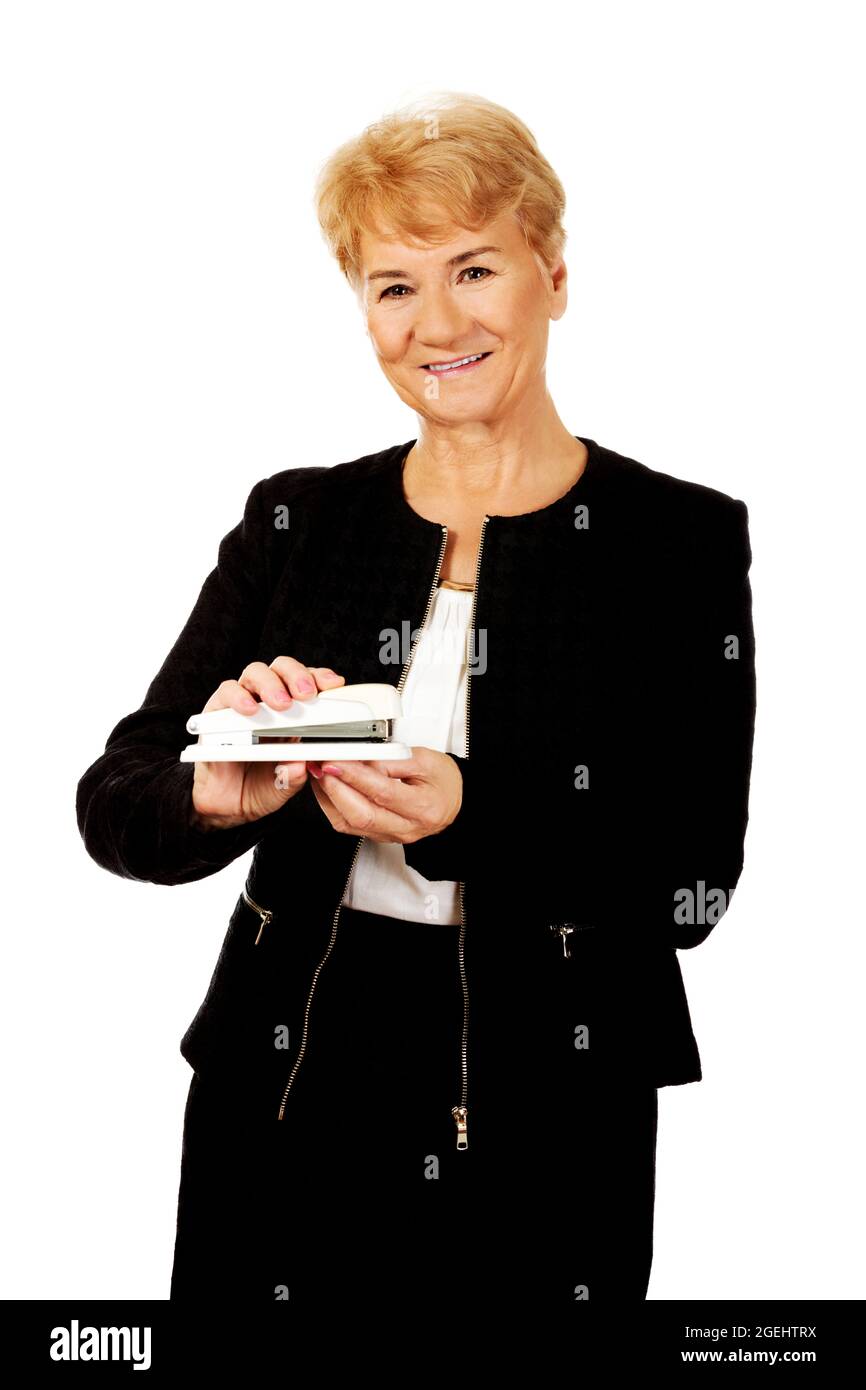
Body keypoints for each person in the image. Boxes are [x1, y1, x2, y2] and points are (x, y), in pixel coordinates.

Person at [76, 92, 756, 1314]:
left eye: (474, 269)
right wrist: (217, 796)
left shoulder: (675, 543)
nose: (435, 323)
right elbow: (116, 799)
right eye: (393, 285)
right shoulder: (299, 520)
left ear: (553, 276)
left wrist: (466, 817)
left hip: (555, 1096)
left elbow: (690, 880)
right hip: (283, 1078)